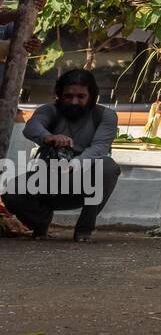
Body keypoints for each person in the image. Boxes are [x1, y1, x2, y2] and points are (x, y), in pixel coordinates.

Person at [0, 69, 119, 242]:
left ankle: (84, 229)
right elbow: (32, 127)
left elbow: (99, 147)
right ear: (59, 95)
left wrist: (75, 164)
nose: (74, 101)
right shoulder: (49, 111)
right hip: (48, 179)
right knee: (10, 191)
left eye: (81, 96)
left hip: (84, 182)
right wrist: (48, 137)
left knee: (108, 166)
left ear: (91, 96)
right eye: (68, 96)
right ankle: (40, 223)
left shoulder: (105, 116)